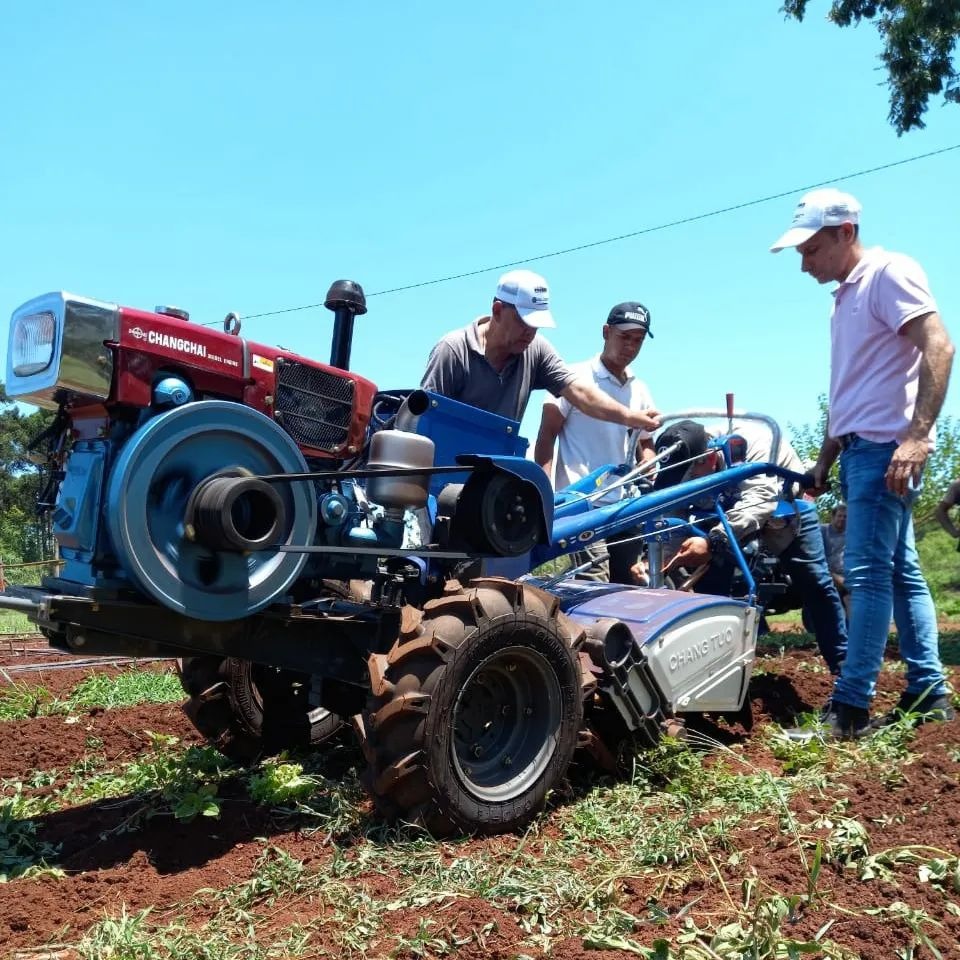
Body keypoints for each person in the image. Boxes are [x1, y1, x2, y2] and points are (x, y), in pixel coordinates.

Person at [771, 187, 955, 738]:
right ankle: (928, 692)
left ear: (845, 232)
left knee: (868, 575)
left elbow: (939, 346)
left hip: (885, 450)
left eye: (811, 250)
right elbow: (847, 393)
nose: (804, 264)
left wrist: (917, 437)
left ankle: (850, 709)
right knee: (902, 572)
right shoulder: (843, 298)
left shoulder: (888, 273)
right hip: (860, 449)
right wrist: (823, 463)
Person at [654, 418, 848, 677]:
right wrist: (662, 556)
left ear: (709, 459)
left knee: (815, 583)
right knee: (710, 590)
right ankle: (711, 673)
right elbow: (672, 509)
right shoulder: (683, 464)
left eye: (689, 476)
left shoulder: (751, 442)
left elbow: (760, 500)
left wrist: (713, 541)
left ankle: (843, 668)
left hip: (782, 509)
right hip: (723, 513)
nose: (685, 482)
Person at [420, 269, 660, 435]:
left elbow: (580, 393)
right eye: (524, 322)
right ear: (497, 310)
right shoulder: (453, 350)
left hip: (494, 475)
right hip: (444, 472)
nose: (530, 333)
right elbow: (424, 422)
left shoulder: (536, 350)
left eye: (537, 325)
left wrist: (630, 417)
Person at [533, 302, 657, 583]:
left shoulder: (640, 388)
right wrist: (545, 498)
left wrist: (649, 460)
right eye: (624, 337)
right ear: (606, 332)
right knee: (595, 582)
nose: (630, 347)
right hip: (581, 504)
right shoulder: (570, 379)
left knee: (629, 584)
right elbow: (545, 439)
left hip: (623, 505)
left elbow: (645, 443)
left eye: (638, 340)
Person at [820, 504, 850, 617]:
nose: (842, 519)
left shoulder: (851, 534)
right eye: (840, 515)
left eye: (845, 516)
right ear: (833, 517)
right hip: (827, 574)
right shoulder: (822, 531)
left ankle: (851, 630)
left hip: (846, 575)